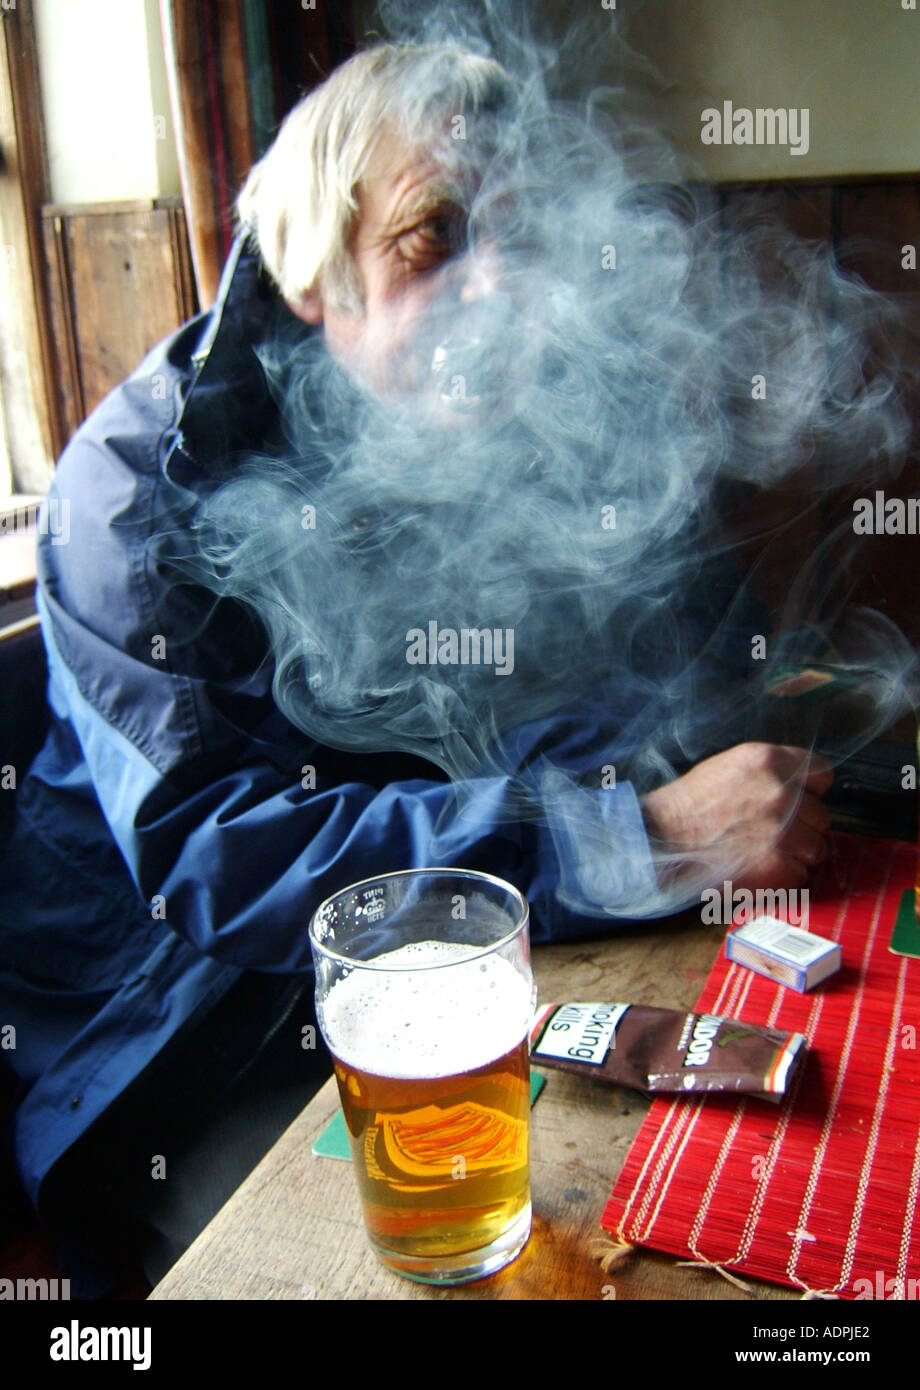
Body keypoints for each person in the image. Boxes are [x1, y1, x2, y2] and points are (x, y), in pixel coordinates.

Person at [0, 41, 831, 1295]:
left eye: (527, 235)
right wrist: (636, 837)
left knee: (750, 1195)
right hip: (188, 1046)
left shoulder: (544, 411)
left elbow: (703, 657)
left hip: (489, 972)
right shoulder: (130, 485)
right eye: (431, 237)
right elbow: (216, 855)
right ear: (313, 271)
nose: (499, 289)